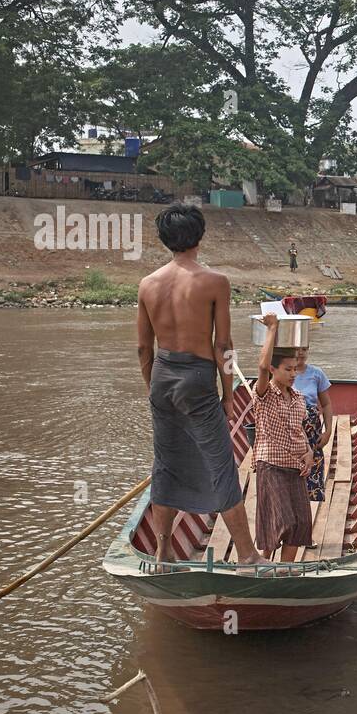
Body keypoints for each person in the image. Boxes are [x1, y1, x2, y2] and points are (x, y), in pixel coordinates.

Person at [136, 203, 260, 567]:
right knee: (220, 465)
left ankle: (163, 551)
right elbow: (222, 345)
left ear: (164, 240)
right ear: (199, 237)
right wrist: (227, 393)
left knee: (167, 465)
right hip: (197, 379)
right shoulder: (214, 281)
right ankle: (248, 555)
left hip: (162, 376)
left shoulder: (148, 284)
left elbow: (144, 346)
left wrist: (152, 388)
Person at [251, 314, 316, 565]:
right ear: (273, 370)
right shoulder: (265, 394)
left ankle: (286, 569)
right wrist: (273, 329)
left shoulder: (298, 397)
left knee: (301, 522)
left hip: (297, 467)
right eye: (287, 369)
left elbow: (299, 431)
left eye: (294, 369)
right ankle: (265, 563)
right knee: (281, 519)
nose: (293, 374)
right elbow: (260, 366)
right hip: (272, 464)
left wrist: (309, 453)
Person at [293, 344, 333, 501]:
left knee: (313, 480)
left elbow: (326, 404)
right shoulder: (282, 373)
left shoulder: (316, 374)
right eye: (296, 349)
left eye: (304, 348)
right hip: (291, 436)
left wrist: (328, 432)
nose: (300, 353)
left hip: (313, 437)